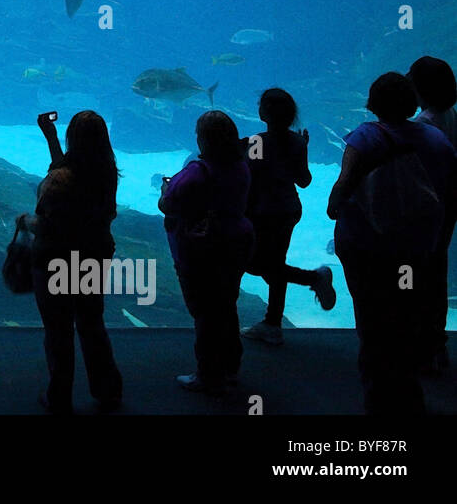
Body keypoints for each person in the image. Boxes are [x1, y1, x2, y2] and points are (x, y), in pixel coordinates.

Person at [328, 72, 456, 414]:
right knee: (406, 315)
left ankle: (379, 398)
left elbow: (339, 194)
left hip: (366, 249)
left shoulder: (364, 137)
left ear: (373, 103)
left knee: (372, 320)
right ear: (412, 101)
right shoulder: (436, 138)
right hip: (415, 249)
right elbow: (447, 191)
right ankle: (409, 393)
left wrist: (336, 205)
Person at [26, 110, 123, 414]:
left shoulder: (59, 180)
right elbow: (73, 173)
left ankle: (59, 397)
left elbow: (45, 222)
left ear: (73, 138)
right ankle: (108, 390)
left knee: (58, 330)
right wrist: (51, 138)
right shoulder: (107, 171)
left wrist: (23, 221)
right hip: (93, 255)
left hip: (56, 260)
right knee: (91, 323)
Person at [159, 111, 255, 395]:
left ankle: (208, 374)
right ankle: (230, 367)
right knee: (226, 305)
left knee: (204, 312)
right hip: (236, 243)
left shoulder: (198, 171)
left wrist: (166, 190)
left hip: (203, 250)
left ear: (203, 139)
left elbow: (169, 205)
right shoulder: (240, 165)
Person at [242, 89, 336, 345]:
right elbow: (304, 180)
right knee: (275, 264)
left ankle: (314, 278)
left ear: (263, 113)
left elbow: (251, 174)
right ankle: (273, 324)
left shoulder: (257, 142)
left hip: (262, 212)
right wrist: (300, 150)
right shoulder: (297, 142)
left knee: (255, 264)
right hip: (287, 210)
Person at [407, 56, 457, 371]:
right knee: (436, 273)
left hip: (426, 211)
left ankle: (422, 345)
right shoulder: (450, 114)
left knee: (418, 276)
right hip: (447, 207)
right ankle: (436, 342)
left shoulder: (424, 124)